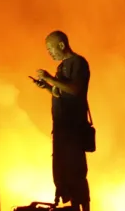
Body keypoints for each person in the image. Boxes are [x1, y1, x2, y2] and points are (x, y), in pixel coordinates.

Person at [31, 30, 92, 211]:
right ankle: (73, 207)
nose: (49, 53)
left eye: (51, 49)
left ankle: (83, 208)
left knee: (76, 172)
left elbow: (75, 90)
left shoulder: (79, 63)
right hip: (61, 130)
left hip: (74, 129)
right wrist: (47, 86)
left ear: (62, 45)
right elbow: (60, 93)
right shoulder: (62, 67)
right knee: (62, 173)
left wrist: (50, 78)